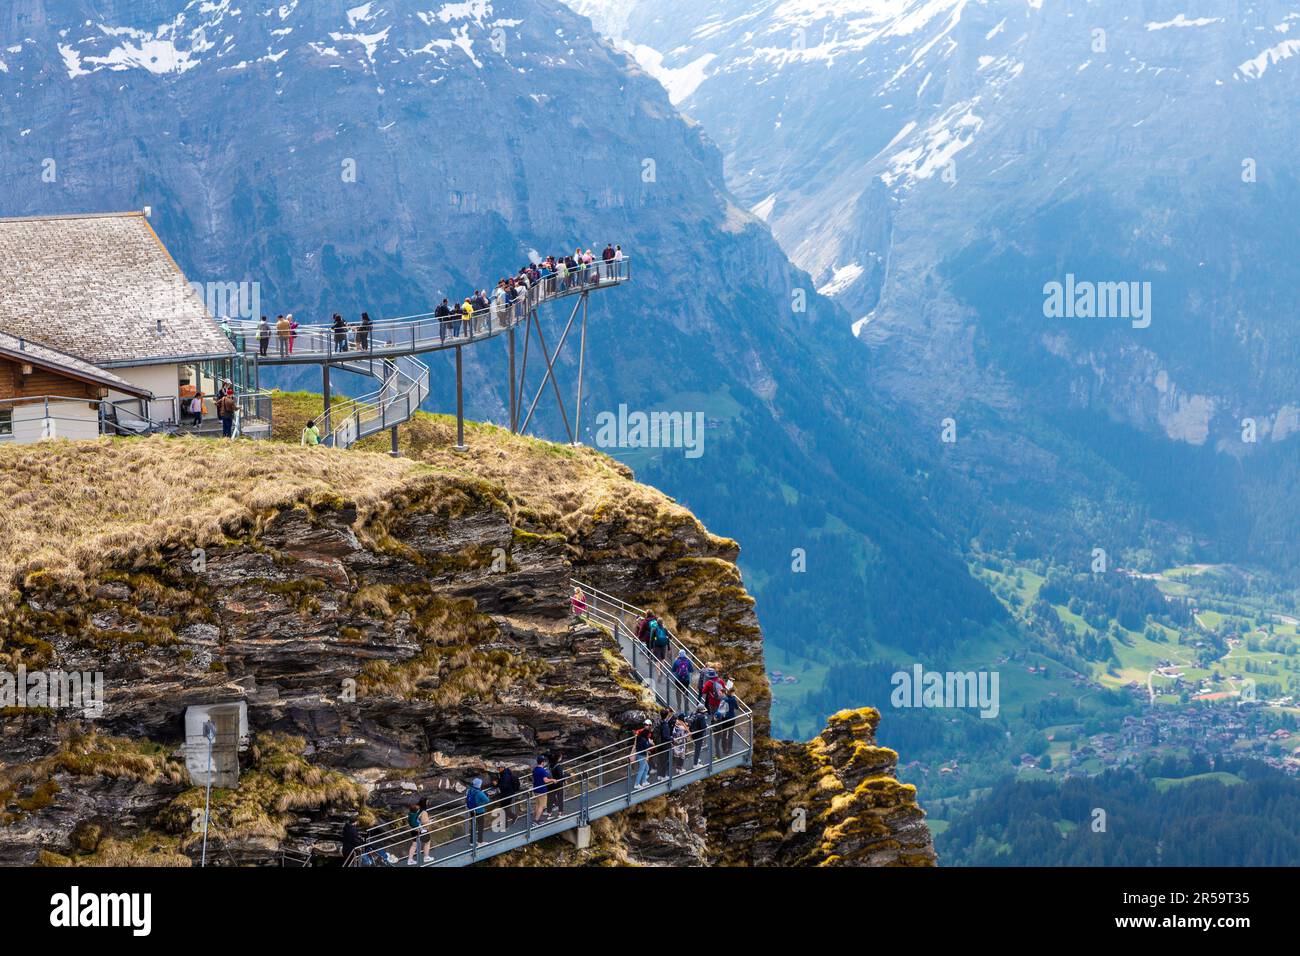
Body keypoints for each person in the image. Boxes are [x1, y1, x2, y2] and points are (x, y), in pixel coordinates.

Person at [715, 680, 739, 756]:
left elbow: (720, 708)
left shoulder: (724, 699)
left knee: (724, 733)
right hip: (732, 718)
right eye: (734, 692)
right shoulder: (733, 699)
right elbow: (737, 707)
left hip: (725, 718)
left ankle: (724, 749)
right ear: (732, 692)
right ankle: (730, 749)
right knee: (730, 734)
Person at [406, 797, 431, 865]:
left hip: (413, 829)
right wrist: (429, 822)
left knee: (414, 845)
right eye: (427, 802)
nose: (428, 803)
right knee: (427, 842)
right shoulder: (423, 811)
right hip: (421, 830)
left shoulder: (415, 809)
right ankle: (426, 857)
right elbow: (425, 822)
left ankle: (410, 860)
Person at [531, 755, 556, 823]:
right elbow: (545, 780)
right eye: (544, 761)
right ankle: (536, 821)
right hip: (542, 790)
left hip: (536, 789)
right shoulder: (542, 770)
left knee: (537, 804)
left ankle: (535, 818)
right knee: (541, 806)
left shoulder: (535, 769)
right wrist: (552, 780)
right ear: (542, 762)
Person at [630, 719, 653, 789]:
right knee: (641, 769)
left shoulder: (640, 737)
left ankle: (644, 781)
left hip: (640, 754)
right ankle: (636, 784)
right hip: (642, 755)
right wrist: (650, 743)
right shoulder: (644, 740)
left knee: (646, 768)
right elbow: (646, 747)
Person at [654, 707, 674, 779]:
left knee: (660, 760)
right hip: (664, 745)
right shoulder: (665, 725)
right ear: (667, 715)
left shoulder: (659, 722)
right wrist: (671, 738)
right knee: (665, 760)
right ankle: (663, 776)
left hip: (659, 744)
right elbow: (666, 736)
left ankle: (659, 775)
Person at [547, 750, 567, 815]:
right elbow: (561, 776)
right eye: (561, 756)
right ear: (559, 758)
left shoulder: (550, 764)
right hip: (558, 784)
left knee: (551, 798)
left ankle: (549, 813)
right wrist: (566, 777)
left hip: (551, 784)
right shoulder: (558, 766)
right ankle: (560, 813)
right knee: (560, 798)